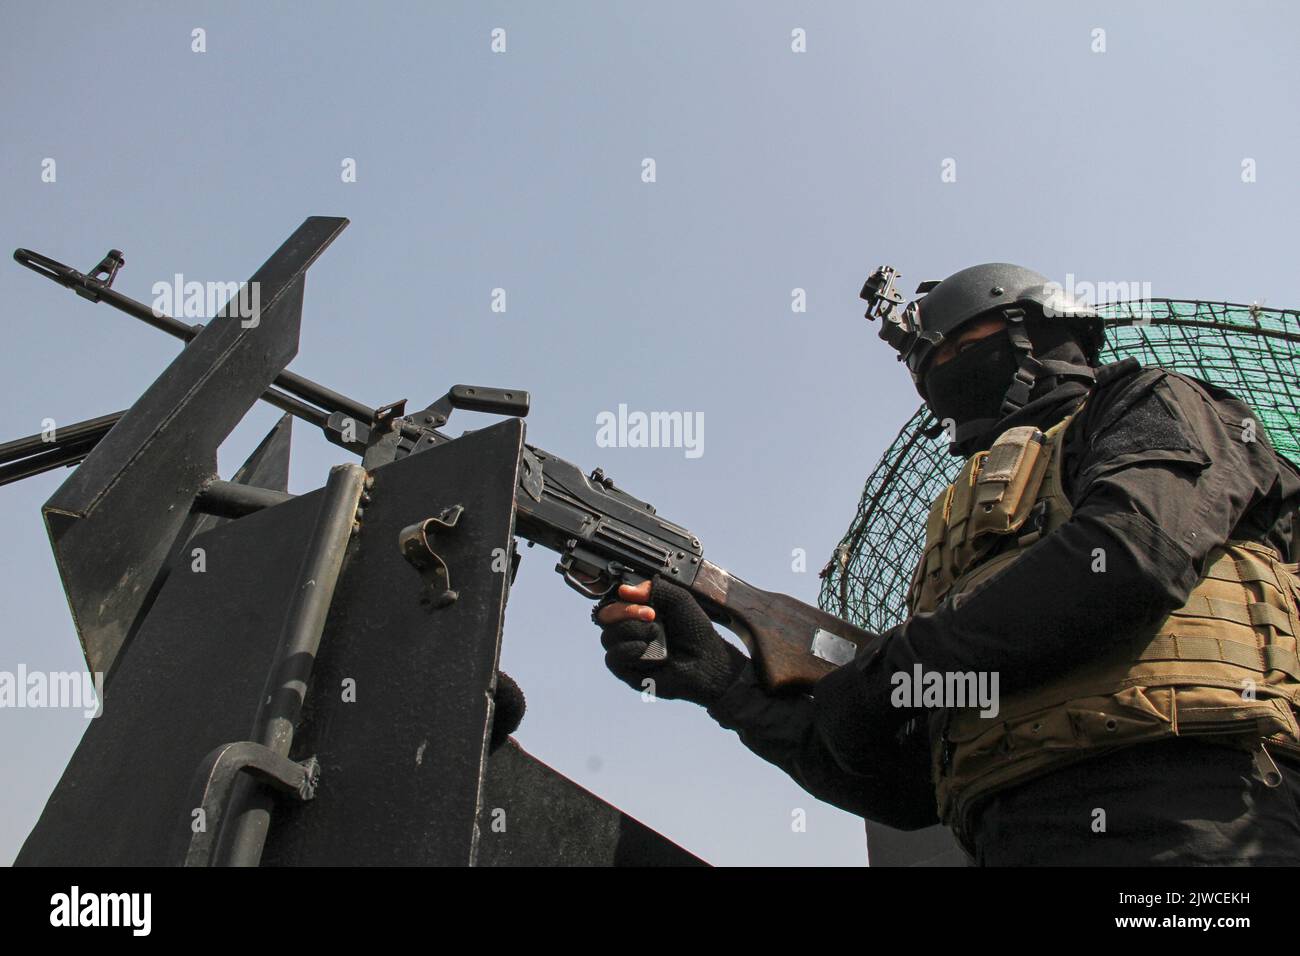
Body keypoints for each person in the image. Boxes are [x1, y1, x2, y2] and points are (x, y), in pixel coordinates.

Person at [594, 263, 1300, 865]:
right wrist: (726, 686)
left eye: (955, 345)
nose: (933, 371)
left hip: (1195, 815)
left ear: (1035, 334)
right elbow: (907, 789)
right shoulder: (957, 549)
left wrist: (893, 669)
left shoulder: (1152, 403)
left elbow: (1128, 555)